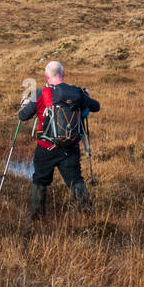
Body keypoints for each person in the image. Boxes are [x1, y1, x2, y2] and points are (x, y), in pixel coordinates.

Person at [18, 61, 99, 222]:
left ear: (46, 76)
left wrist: (25, 104)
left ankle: (36, 215)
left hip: (45, 147)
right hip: (70, 148)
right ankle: (88, 212)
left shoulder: (40, 94)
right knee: (75, 180)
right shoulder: (77, 92)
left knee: (40, 179)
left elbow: (23, 116)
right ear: (64, 74)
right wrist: (86, 96)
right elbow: (96, 106)